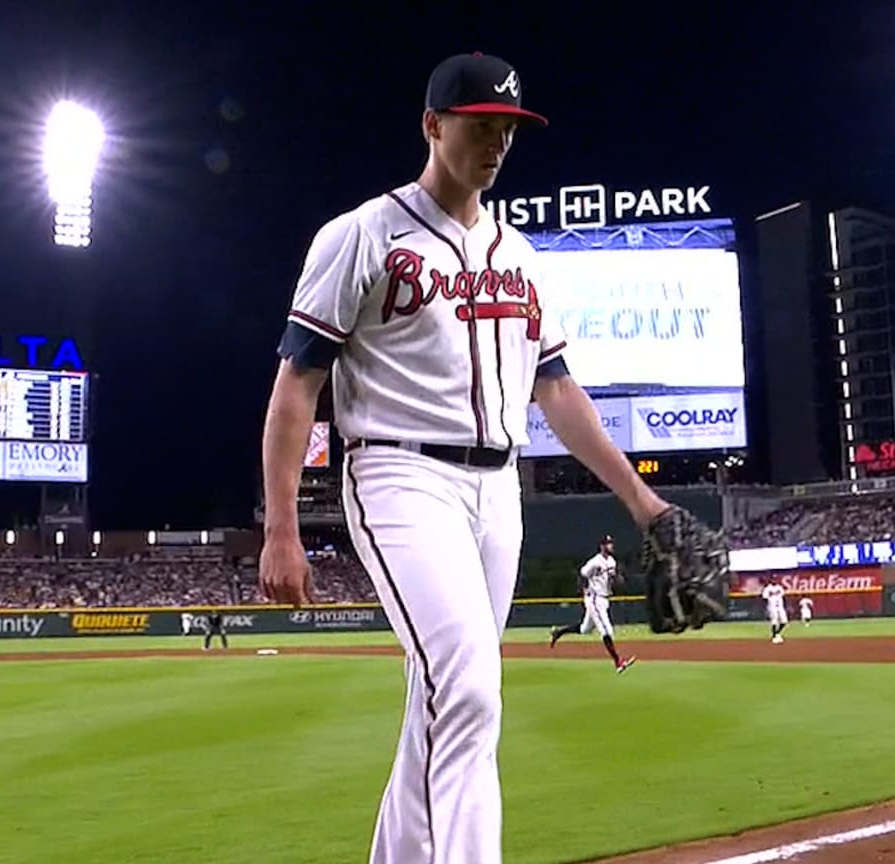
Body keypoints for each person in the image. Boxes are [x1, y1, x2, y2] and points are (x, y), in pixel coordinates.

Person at [258, 50, 674, 864]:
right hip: (398, 474)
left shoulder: (519, 255)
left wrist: (643, 501)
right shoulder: (362, 235)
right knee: (472, 688)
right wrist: (281, 525)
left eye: (509, 128)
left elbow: (558, 391)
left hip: (497, 491)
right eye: (480, 125)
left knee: (443, 695)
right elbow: (295, 387)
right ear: (432, 125)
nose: (498, 142)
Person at [548, 535, 635, 672]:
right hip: (594, 599)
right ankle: (618, 662)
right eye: (608, 544)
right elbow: (583, 574)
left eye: (611, 543)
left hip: (604, 598)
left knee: (585, 629)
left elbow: (612, 579)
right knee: (607, 631)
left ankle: (558, 632)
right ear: (602, 546)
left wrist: (617, 579)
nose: (611, 546)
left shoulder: (612, 561)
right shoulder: (595, 562)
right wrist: (584, 589)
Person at [762, 577, 789, 644]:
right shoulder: (767, 588)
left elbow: (783, 596)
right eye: (773, 579)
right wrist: (766, 608)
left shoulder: (779, 587)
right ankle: (774, 637)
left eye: (775, 579)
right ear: (771, 580)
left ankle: (777, 633)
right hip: (772, 607)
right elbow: (764, 598)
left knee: (784, 621)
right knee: (774, 621)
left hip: (780, 607)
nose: (774, 580)